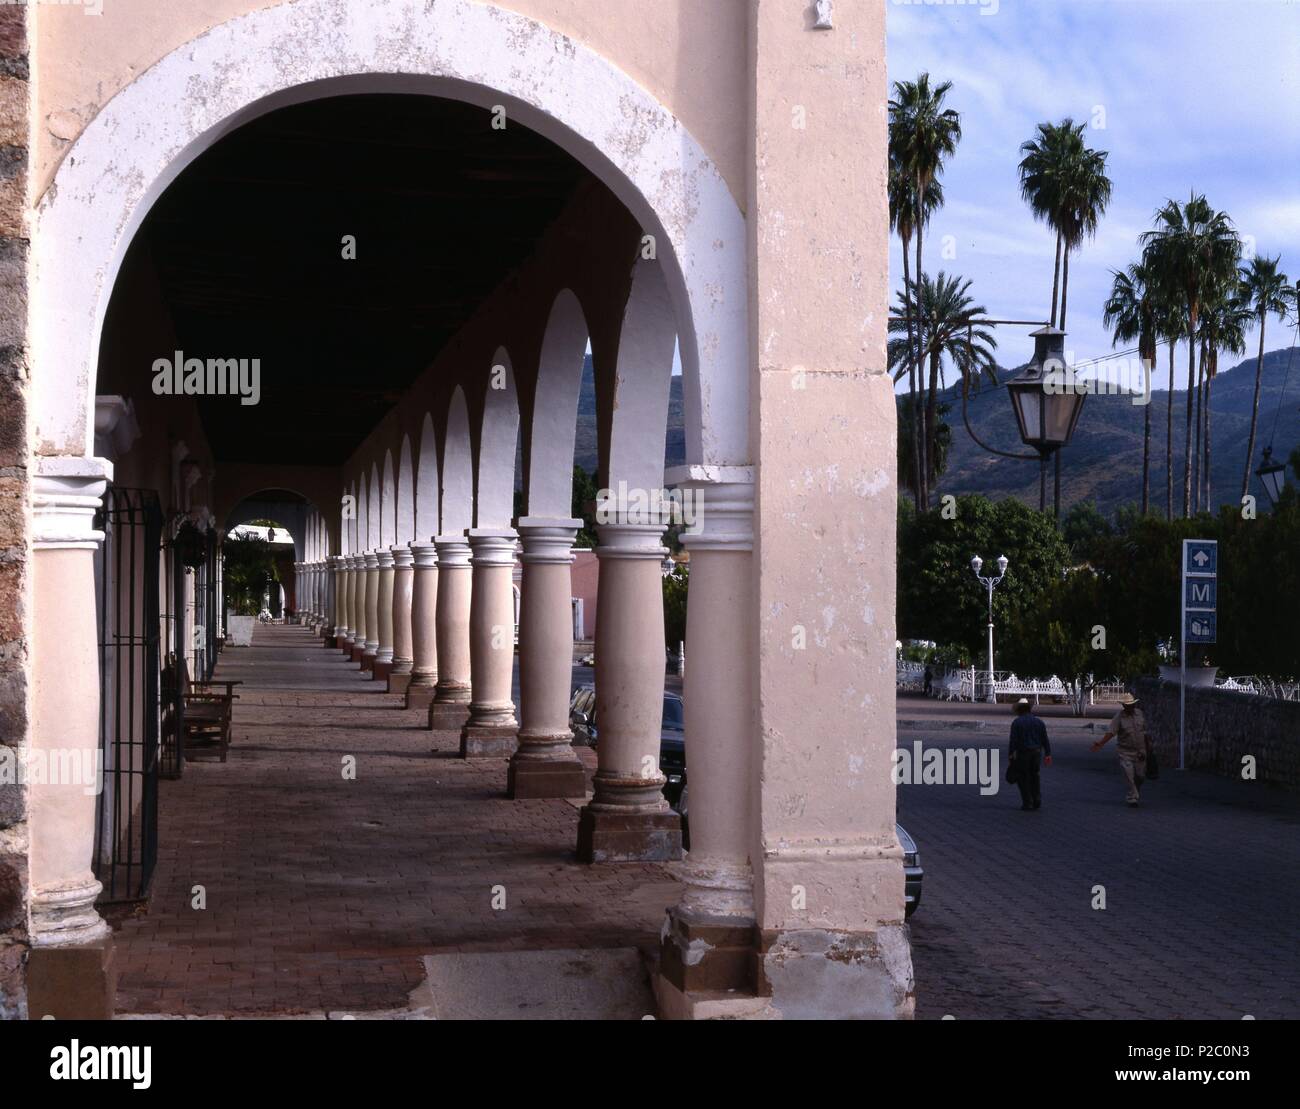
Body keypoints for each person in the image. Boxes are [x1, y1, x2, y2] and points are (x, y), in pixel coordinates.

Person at [1091, 693, 1148, 806]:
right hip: (1125, 751)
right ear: (1123, 706)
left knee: (1140, 776)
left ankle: (1134, 791)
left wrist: (1149, 747)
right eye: (1127, 705)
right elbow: (1111, 732)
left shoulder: (1140, 714)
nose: (1129, 707)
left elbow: (1145, 732)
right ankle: (1133, 797)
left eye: (1131, 704)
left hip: (1140, 751)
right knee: (1129, 775)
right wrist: (1101, 743)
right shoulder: (1119, 717)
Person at [1008, 698, 1051, 810]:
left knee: (1023, 777)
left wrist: (1011, 754)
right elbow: (1045, 739)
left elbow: (1013, 741)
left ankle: (1028, 802)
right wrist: (1048, 753)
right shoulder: (1039, 722)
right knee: (1035, 776)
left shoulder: (1017, 723)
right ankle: (1037, 798)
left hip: (1023, 753)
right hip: (1037, 753)